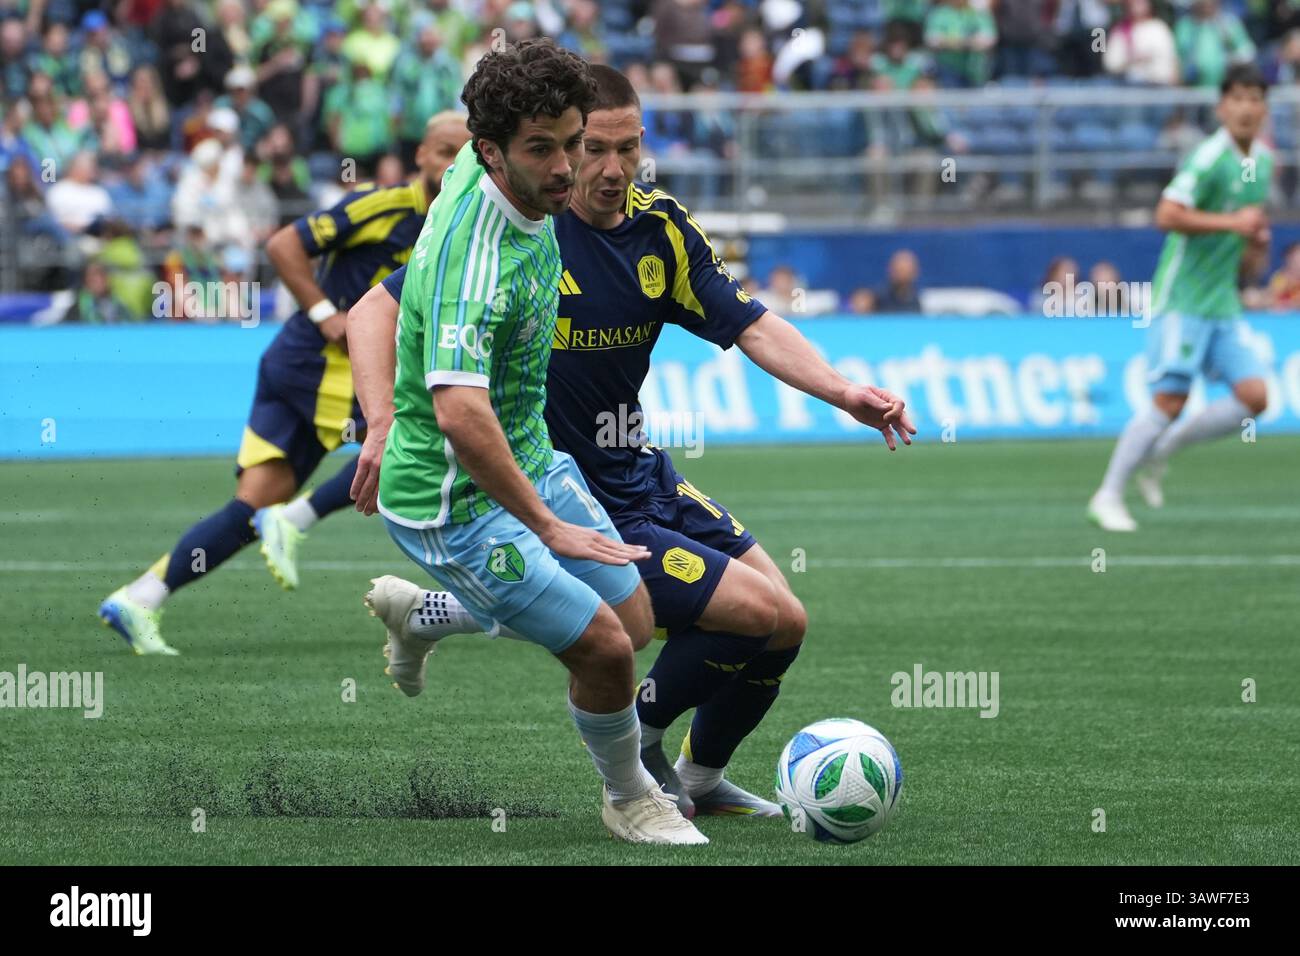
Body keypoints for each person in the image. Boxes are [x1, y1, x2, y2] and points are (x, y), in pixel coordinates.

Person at [348, 64, 915, 820]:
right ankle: (636, 753)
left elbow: (751, 324)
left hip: (640, 473)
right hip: (555, 488)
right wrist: (381, 421)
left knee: (788, 622)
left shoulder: (661, 230)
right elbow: (371, 313)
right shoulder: (513, 223)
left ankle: (702, 778)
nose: (611, 169)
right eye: (594, 150)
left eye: (628, 148)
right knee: (744, 616)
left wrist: (843, 390)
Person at [345, 41, 706, 846]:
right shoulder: (479, 259)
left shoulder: (500, 166)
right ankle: (629, 797)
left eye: (573, 143)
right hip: (450, 502)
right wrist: (543, 529)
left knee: (637, 617)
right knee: (609, 653)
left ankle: (426, 616)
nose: (567, 168)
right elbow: (460, 412)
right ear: (489, 153)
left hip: (531, 457)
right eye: (542, 149)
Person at [96, 112, 470, 654]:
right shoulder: (383, 206)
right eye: (442, 150)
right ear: (420, 156)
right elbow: (282, 246)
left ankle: (139, 597)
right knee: (409, 443)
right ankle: (294, 519)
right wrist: (324, 313)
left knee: (248, 510)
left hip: (302, 367)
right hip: (319, 367)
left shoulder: (459, 222)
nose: (453, 163)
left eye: (465, 153)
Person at [1088, 65, 1273, 532]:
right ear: (1222, 107)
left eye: (1255, 98)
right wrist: (1234, 225)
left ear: (1265, 107)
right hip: (1183, 298)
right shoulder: (1209, 158)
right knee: (1169, 399)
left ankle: (1164, 450)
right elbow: (1166, 214)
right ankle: (1107, 495)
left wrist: (1254, 246)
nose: (1247, 107)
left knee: (1255, 397)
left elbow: (1249, 257)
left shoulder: (1263, 164)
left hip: (1223, 301)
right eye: (1238, 98)